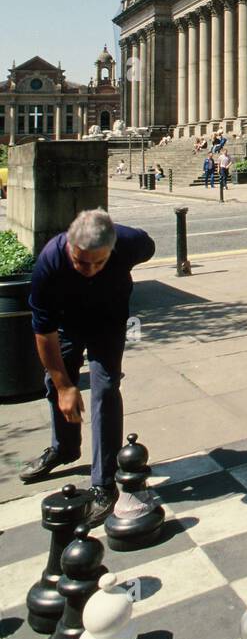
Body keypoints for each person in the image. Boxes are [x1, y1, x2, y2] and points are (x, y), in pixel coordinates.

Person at [19, 210, 156, 524]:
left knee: (105, 389)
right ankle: (64, 448)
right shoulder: (50, 261)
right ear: (70, 246)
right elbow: (44, 332)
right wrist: (66, 385)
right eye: (81, 262)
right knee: (57, 383)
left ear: (113, 249)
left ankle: (104, 482)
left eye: (99, 262)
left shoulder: (130, 242)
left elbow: (148, 246)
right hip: (65, 324)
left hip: (108, 324)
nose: (90, 270)